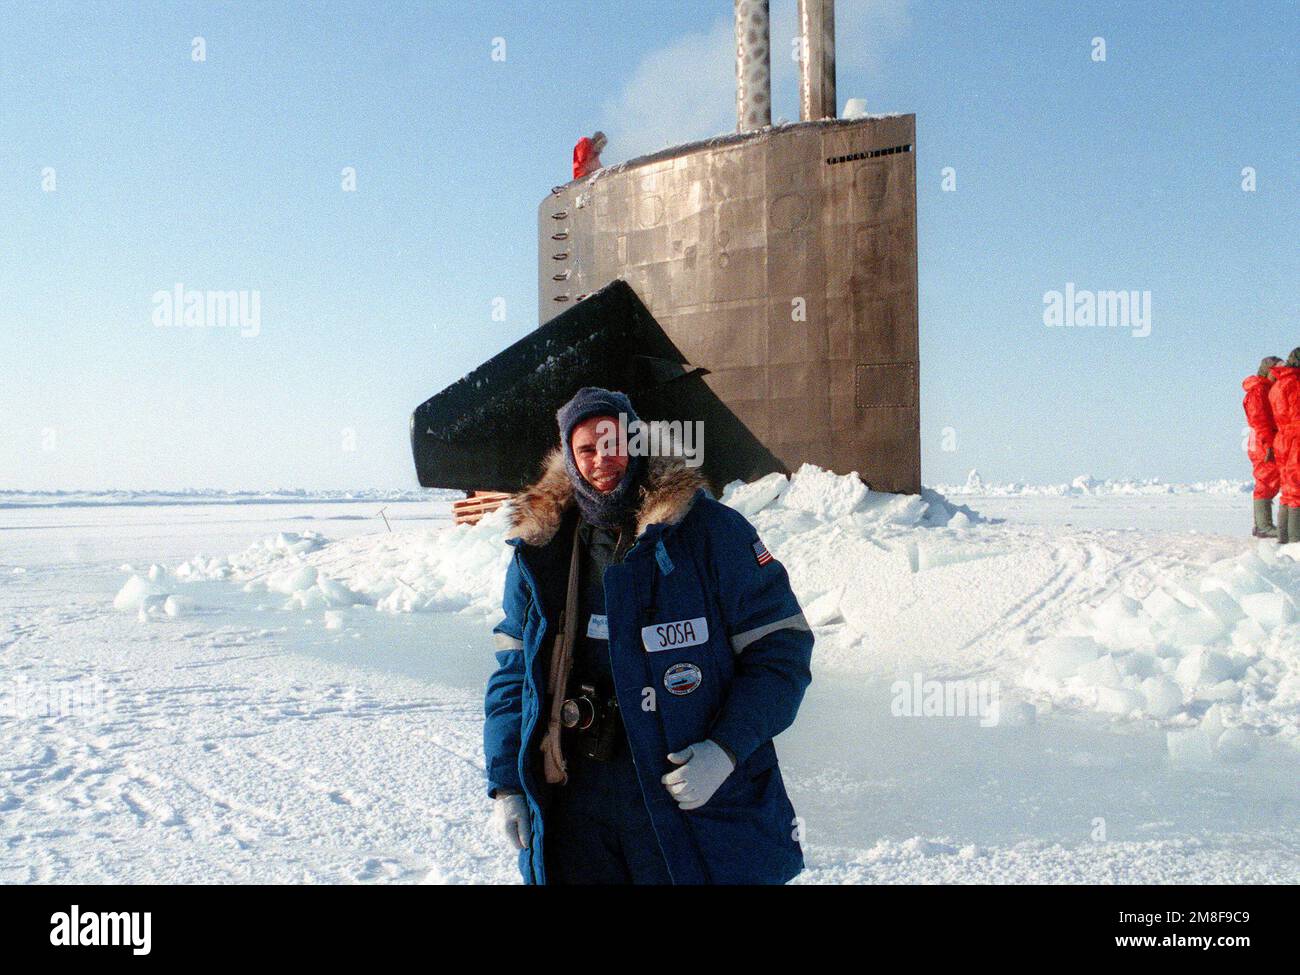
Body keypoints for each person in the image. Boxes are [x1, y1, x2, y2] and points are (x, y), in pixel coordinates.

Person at [483, 387, 813, 884]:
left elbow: (780, 651)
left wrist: (725, 750)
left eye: (612, 442)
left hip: (677, 790)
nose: (601, 461)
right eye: (586, 450)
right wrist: (508, 784)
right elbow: (513, 673)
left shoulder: (708, 532)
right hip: (576, 793)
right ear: (570, 460)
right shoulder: (542, 550)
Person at [1243, 356, 1282, 538]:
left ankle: (1263, 524)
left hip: (1264, 440)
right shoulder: (1259, 391)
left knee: (1271, 479)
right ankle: (1263, 525)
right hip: (1262, 442)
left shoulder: (1266, 389)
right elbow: (1260, 420)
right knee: (1266, 479)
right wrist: (1268, 444)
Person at [1268, 351, 1300, 544]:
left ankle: (1284, 540)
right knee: (1297, 491)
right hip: (1296, 439)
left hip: (1282, 439)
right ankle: (1296, 543)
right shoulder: (1295, 384)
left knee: (1288, 490)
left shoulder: (1277, 385)